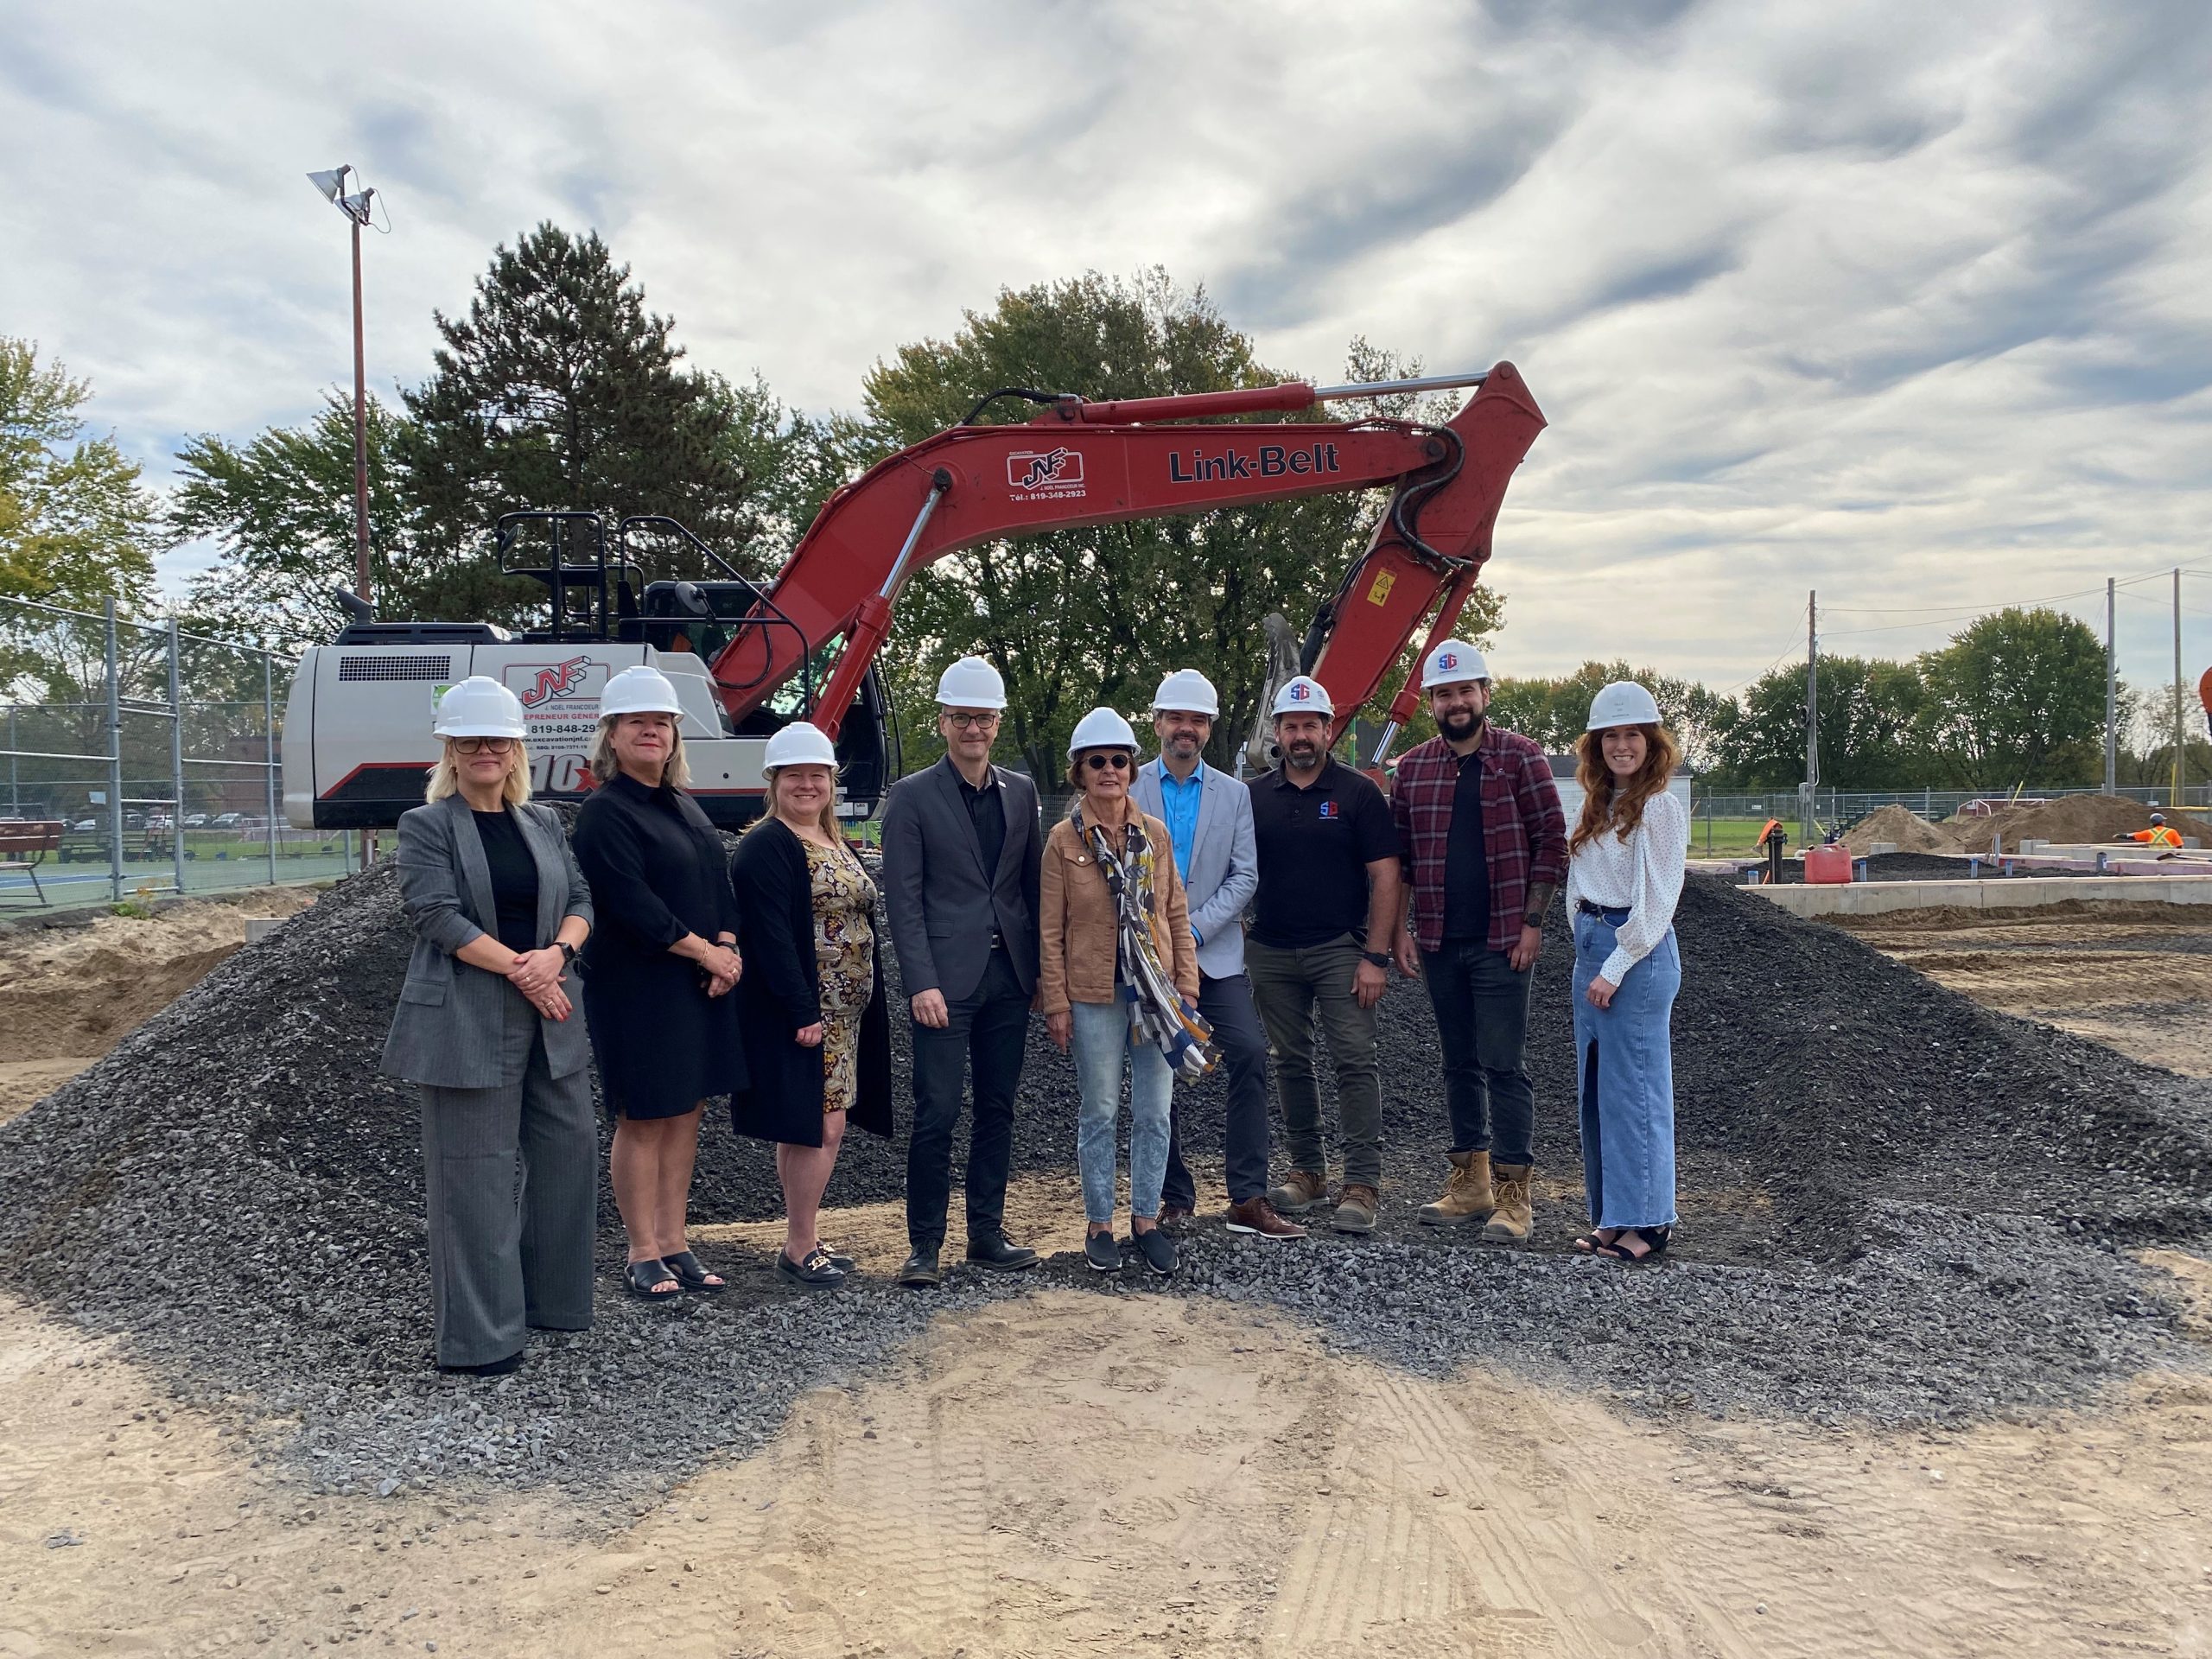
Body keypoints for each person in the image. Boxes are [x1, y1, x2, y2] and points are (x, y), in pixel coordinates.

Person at [381, 677, 595, 1376]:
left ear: (515, 748)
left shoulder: (541, 823)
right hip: (468, 1016)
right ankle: (480, 1341)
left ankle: (553, 1304)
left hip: (550, 1011)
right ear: (448, 746)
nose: (485, 748)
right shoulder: (427, 825)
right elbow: (436, 914)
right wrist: (525, 971)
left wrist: (558, 954)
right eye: (470, 738)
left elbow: (582, 896)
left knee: (567, 1159)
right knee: (473, 1178)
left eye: (497, 738)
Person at [569, 664, 747, 1302]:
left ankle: (675, 1240)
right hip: (638, 988)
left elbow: (719, 886)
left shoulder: (684, 806)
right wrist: (708, 954)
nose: (653, 731)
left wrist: (727, 947)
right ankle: (642, 1250)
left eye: (663, 723)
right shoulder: (604, 813)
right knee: (644, 1115)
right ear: (611, 735)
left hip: (698, 984)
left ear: (676, 736)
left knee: (687, 1111)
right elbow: (632, 904)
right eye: (638, 722)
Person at [1389, 639, 1568, 1244]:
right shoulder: (1412, 770)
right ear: (1431, 704)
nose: (1456, 701)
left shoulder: (1522, 758)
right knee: (1457, 1064)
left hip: (1501, 943)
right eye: (1444, 693)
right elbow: (1404, 860)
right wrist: (1400, 930)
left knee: (1504, 1065)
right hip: (1440, 940)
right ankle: (1471, 1183)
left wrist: (1532, 923)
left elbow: (1551, 842)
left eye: (1466, 690)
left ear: (1485, 695)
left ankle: (1516, 1196)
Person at [878, 655, 1046, 1287]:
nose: (973, 728)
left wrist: (1040, 976)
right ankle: (924, 1245)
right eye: (962, 717)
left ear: (997, 723)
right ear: (944, 721)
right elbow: (904, 898)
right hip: (944, 983)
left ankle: (985, 1233)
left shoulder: (1022, 792)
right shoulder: (912, 797)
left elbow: (1029, 887)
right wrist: (921, 981)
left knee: (998, 1108)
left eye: (983, 717)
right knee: (938, 1112)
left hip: (1008, 979)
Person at [1132, 669, 1306, 1240]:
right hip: (1148, 957)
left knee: (1251, 1054)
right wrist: (1160, 937)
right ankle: (1172, 1193)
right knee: (1157, 1069)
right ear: (1158, 722)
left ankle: (1248, 1198)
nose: (1187, 728)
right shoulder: (1129, 787)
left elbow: (1244, 876)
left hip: (1215, 955)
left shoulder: (1234, 795)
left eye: (1198, 720)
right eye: (1177, 718)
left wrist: (1194, 933)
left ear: (1209, 728)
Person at [727, 722, 894, 1289]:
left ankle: (807, 1234)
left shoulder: (832, 838)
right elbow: (770, 936)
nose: (807, 784)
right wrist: (801, 1011)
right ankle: (799, 1247)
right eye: (794, 775)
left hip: (845, 1013)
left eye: (817, 775)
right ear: (773, 781)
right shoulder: (768, 845)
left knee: (820, 1126)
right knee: (819, 1127)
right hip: (810, 1014)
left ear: (831, 781)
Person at [1039, 707, 1206, 1276]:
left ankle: (1146, 1221)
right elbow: (1050, 929)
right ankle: (1099, 1224)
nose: (1109, 769)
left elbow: (1175, 914)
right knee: (1101, 1110)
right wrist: (1056, 1001)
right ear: (1079, 772)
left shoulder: (1153, 836)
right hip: (1094, 996)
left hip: (1156, 994)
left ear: (1131, 769)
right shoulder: (1063, 842)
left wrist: (1187, 985)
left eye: (1119, 760)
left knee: (1156, 1112)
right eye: (1097, 761)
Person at [1249, 676, 1402, 1235]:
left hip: (1340, 949)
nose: (1301, 735)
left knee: (1355, 1061)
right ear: (1278, 733)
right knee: (1289, 1060)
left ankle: (1361, 1181)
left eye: (1310, 724)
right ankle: (1309, 1172)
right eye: (1291, 726)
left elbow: (1386, 875)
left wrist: (1376, 957)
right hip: (1270, 949)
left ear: (1328, 728)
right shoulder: (1256, 796)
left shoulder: (1359, 794)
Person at [1565, 682, 1688, 1264]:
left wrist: (1612, 966)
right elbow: (1578, 883)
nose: (1621, 746)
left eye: (1631, 735)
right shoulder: (1596, 801)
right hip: (1595, 949)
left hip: (1633, 957)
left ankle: (1651, 1223)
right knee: (1600, 1092)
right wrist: (1582, 946)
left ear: (1651, 741)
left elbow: (1658, 904)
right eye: (1610, 735)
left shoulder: (1658, 804)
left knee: (1637, 1091)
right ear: (1595, 744)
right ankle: (1615, 1216)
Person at [2115, 813, 2184, 850]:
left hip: (2153, 856)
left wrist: (2119, 835)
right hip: (2169, 855)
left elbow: (2133, 836)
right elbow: (2179, 845)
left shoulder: (2149, 832)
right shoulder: (2172, 831)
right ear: (2162, 822)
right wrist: (2178, 855)